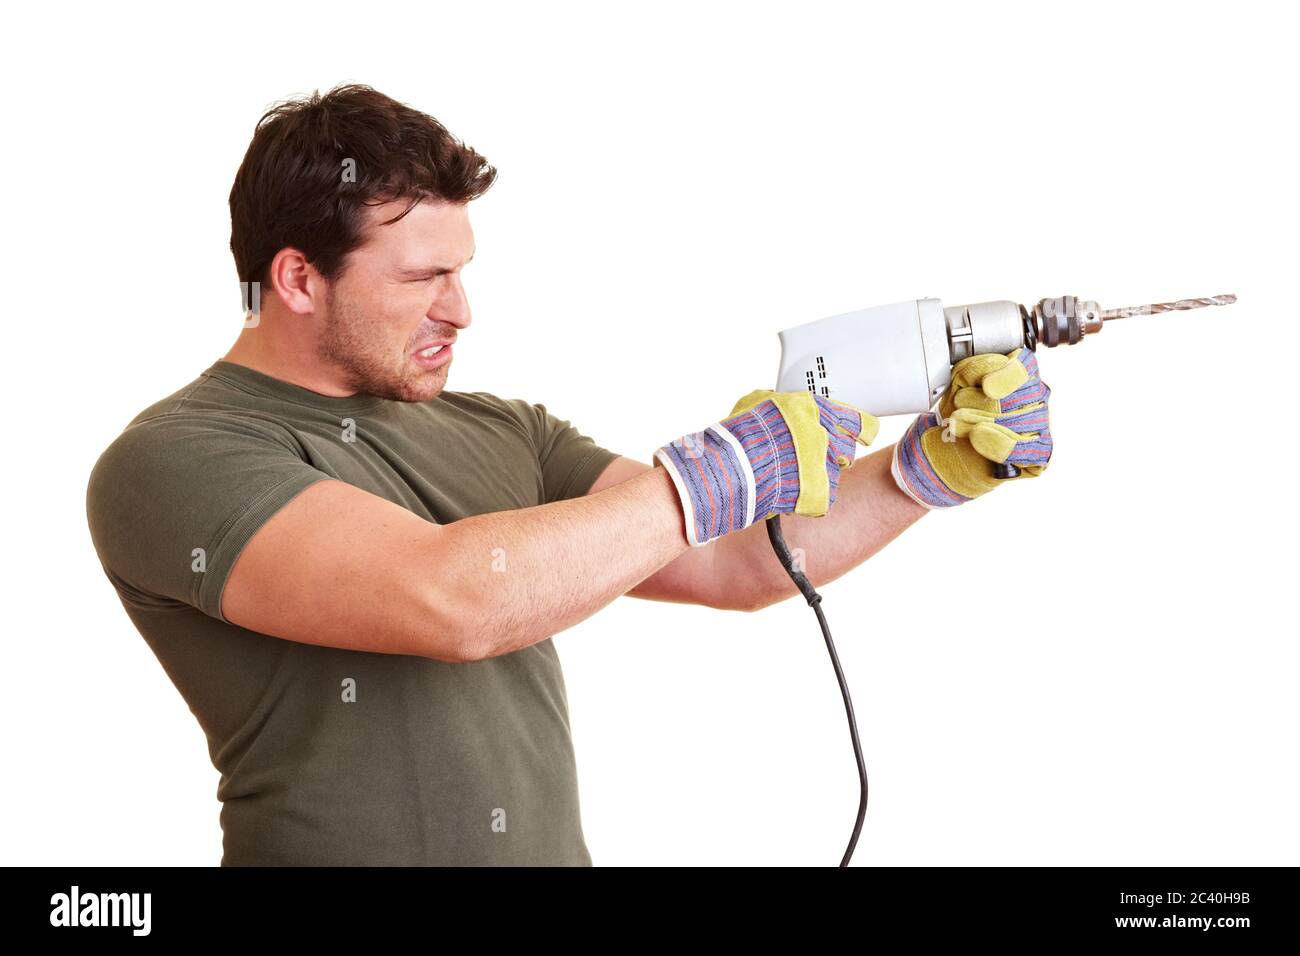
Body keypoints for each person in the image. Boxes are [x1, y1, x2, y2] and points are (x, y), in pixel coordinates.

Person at [85, 83, 1053, 866]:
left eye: (461, 273)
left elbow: (732, 565)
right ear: (296, 279)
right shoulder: (176, 457)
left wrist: (924, 470)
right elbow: (450, 600)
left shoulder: (502, 429)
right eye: (423, 277)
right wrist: (703, 478)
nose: (459, 311)